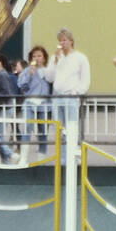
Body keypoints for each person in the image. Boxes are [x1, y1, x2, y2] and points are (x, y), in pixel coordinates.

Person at [46, 28, 91, 164]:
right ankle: (62, 159)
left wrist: (77, 93)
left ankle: (73, 157)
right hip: (57, 96)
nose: (62, 43)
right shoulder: (55, 58)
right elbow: (49, 77)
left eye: (64, 40)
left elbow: (85, 79)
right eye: (60, 40)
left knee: (72, 128)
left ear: (71, 41)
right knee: (59, 130)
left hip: (71, 96)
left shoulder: (80, 58)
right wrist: (54, 61)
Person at [17, 46, 52, 163]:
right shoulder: (27, 70)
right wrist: (29, 75)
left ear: (44, 58)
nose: (36, 58)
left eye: (39, 56)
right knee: (27, 127)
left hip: (44, 104)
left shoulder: (48, 71)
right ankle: (23, 157)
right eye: (34, 56)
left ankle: (41, 158)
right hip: (30, 102)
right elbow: (21, 85)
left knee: (43, 131)